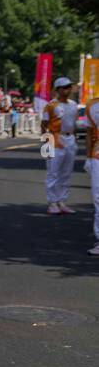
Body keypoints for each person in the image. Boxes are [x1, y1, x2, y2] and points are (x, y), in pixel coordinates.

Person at [43, 76, 79, 215]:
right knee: (53, 172)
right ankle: (52, 202)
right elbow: (44, 125)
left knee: (66, 173)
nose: (68, 90)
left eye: (69, 87)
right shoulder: (51, 105)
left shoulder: (73, 104)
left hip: (70, 139)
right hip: (53, 138)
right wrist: (45, 146)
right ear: (57, 89)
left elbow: (73, 123)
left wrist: (73, 139)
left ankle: (62, 202)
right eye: (64, 87)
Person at [86, 90, 99, 255]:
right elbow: (89, 133)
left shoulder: (73, 105)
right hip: (97, 155)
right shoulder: (92, 105)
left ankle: (58, 202)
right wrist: (88, 158)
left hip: (67, 143)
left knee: (61, 175)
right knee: (98, 197)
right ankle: (54, 202)